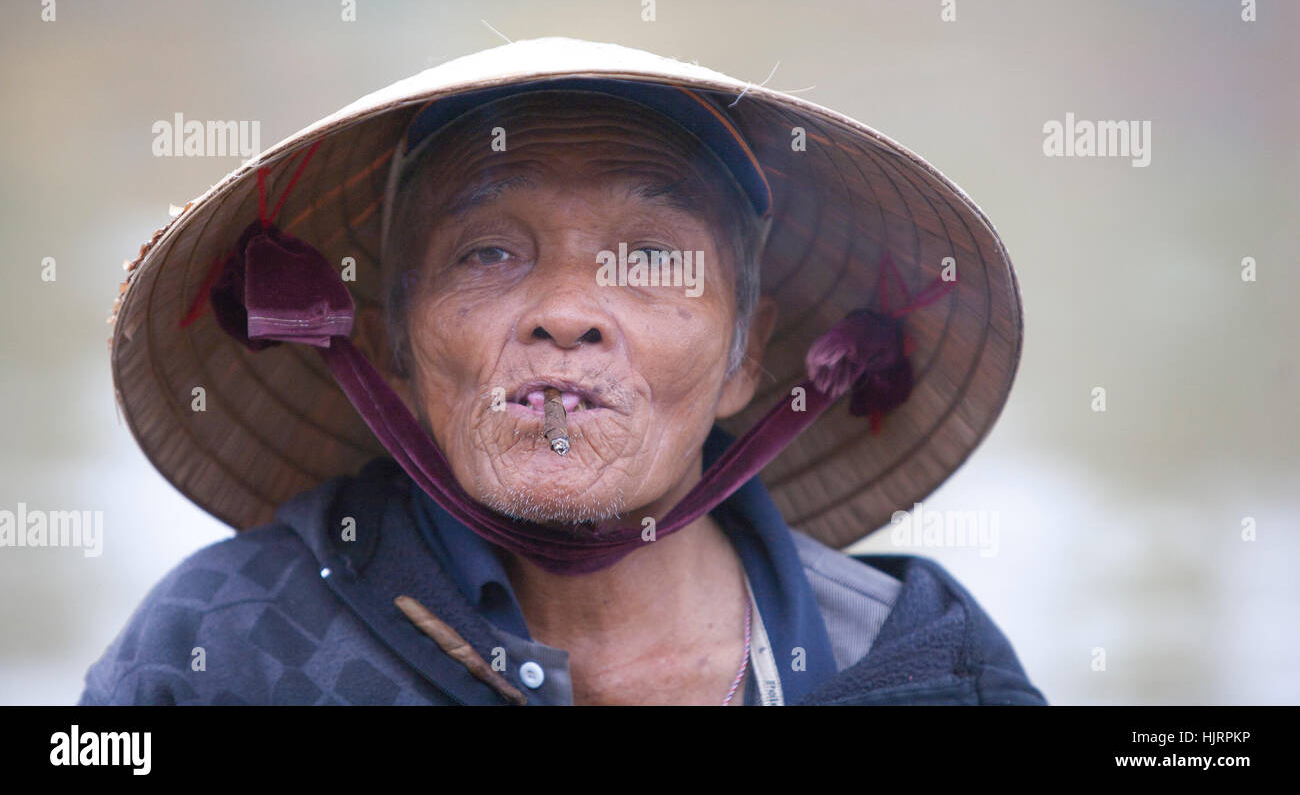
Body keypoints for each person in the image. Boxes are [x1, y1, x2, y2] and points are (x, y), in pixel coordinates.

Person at [81, 37, 1046, 705]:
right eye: (488, 253)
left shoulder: (917, 663)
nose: (567, 312)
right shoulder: (222, 647)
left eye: (653, 259)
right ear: (392, 348)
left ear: (749, 354)